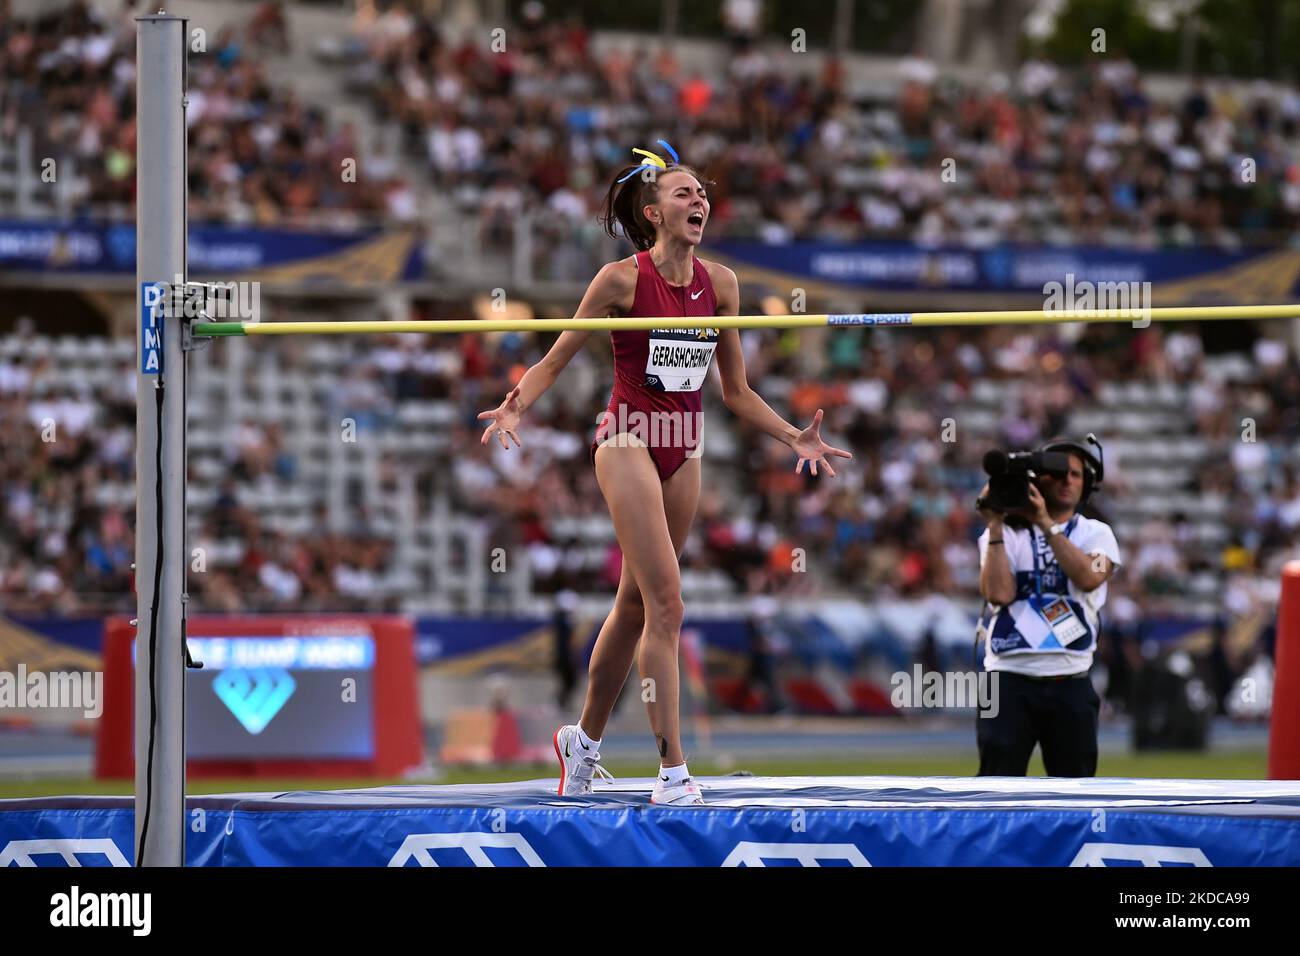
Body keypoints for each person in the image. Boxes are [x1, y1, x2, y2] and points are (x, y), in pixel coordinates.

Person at [478, 141, 852, 804]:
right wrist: (517, 406)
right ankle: (673, 772)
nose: (698, 201)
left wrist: (795, 434)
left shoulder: (724, 285)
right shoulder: (619, 280)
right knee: (669, 603)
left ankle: (581, 744)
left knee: (633, 604)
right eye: (684, 194)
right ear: (652, 212)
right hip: (627, 438)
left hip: (686, 444)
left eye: (703, 195)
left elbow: (734, 391)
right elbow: (558, 357)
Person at [975, 437, 1121, 777]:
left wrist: (1046, 524)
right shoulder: (1004, 535)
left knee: (1075, 791)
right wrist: (995, 523)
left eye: (1076, 474)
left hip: (1070, 679)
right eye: (1058, 473)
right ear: (1037, 479)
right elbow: (998, 594)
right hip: (1008, 680)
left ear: (1086, 483)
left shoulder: (1097, 534)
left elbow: (1089, 576)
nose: (1068, 481)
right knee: (997, 791)